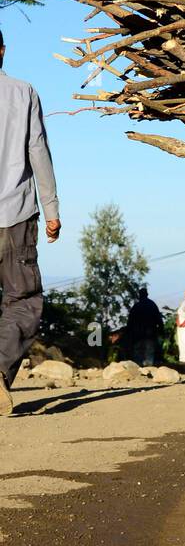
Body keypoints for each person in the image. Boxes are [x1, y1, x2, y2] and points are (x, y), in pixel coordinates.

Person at [0, 26, 61, 415]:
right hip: (15, 216)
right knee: (23, 301)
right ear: (2, 50)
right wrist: (52, 209)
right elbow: (38, 151)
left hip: (16, 215)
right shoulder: (23, 93)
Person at [125, 285, 165, 366]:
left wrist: (128, 333)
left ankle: (139, 371)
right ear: (147, 294)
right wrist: (161, 330)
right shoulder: (152, 305)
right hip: (150, 333)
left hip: (137, 335)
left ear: (139, 295)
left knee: (138, 354)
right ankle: (148, 370)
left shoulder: (136, 306)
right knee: (149, 353)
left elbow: (130, 322)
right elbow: (159, 319)